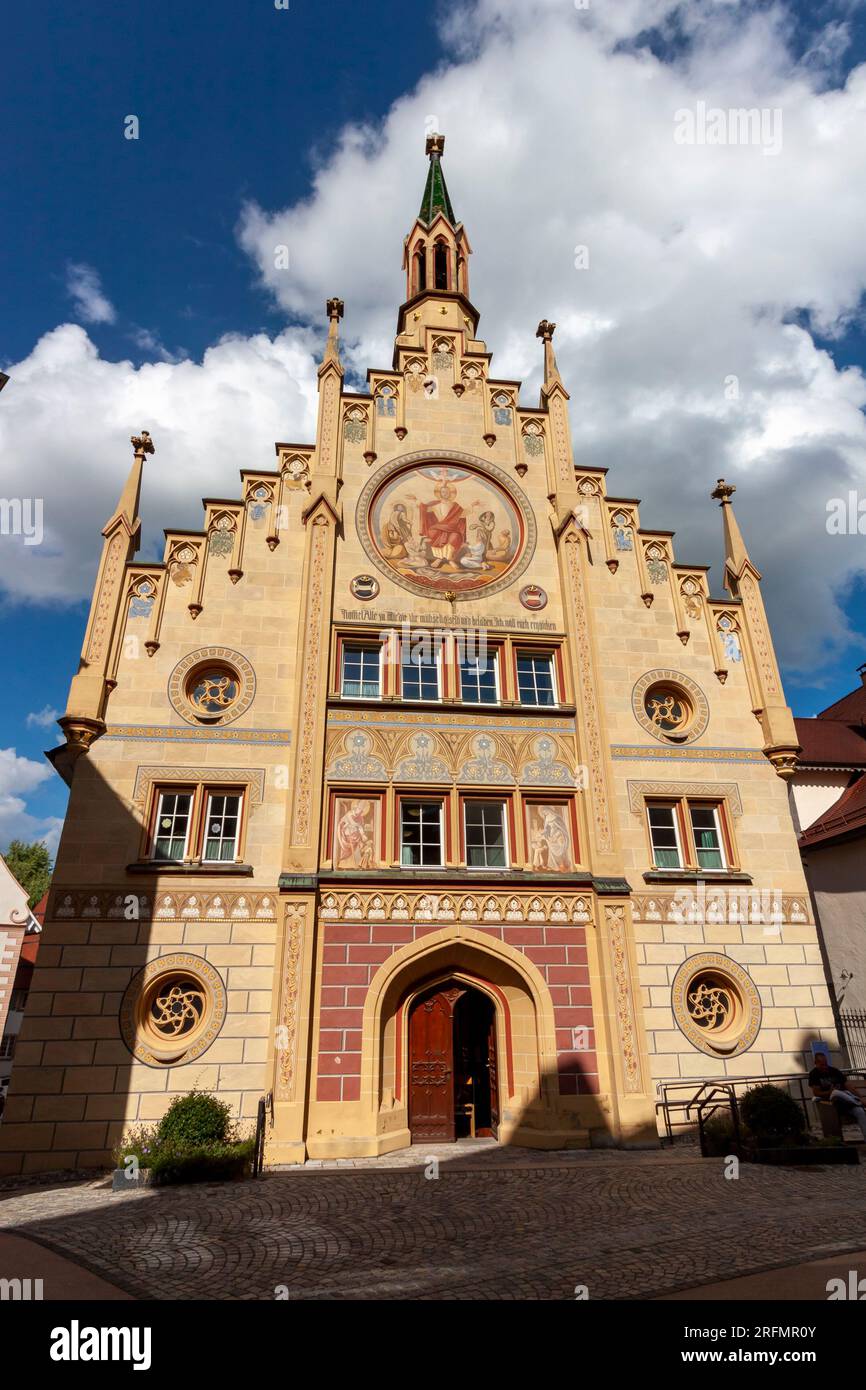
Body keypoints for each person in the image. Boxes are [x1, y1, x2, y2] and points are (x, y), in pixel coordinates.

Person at [808, 1051, 866, 1138]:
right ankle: (857, 1102)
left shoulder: (834, 1071)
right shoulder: (814, 1074)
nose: (825, 1067)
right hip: (830, 1105)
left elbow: (848, 1085)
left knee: (860, 1112)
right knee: (836, 1093)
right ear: (816, 1063)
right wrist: (829, 1092)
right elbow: (816, 1093)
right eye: (822, 1065)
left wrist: (860, 1097)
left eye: (826, 1064)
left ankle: (857, 1103)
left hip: (846, 1103)